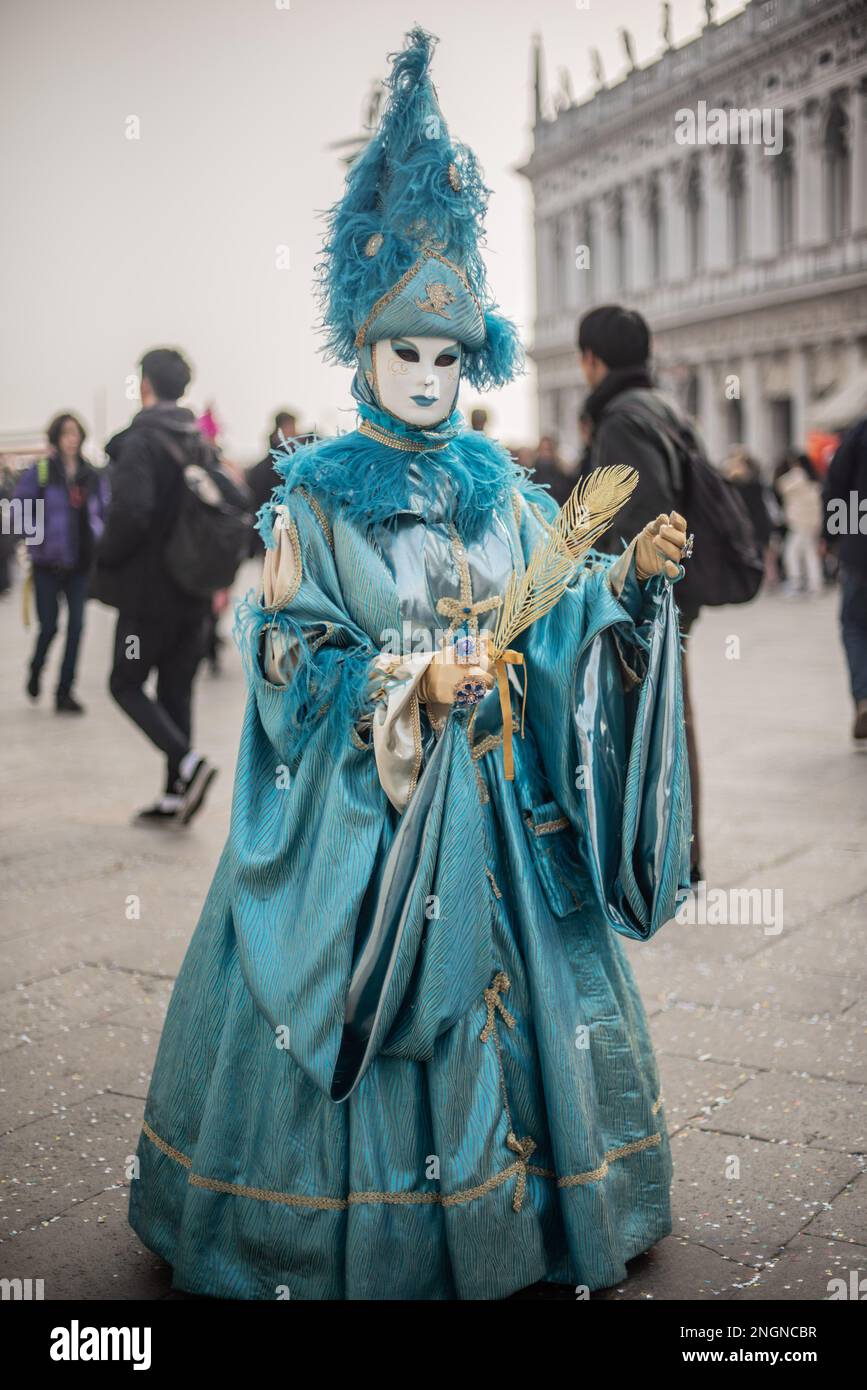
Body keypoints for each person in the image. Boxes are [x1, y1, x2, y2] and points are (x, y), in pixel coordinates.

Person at [128, 29, 691, 1301]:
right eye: (406, 353)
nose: (430, 377)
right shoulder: (313, 503)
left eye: (451, 356)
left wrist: (630, 581)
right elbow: (281, 655)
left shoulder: (506, 494)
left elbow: (553, 616)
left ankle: (539, 1212)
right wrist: (405, 685)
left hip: (503, 817)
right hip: (372, 833)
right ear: (362, 354)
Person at [577, 303, 704, 880]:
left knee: (657, 721)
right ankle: (677, 853)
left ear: (591, 360)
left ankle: (666, 857)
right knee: (670, 714)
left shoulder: (622, 421)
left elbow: (641, 519)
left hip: (646, 596)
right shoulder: (661, 408)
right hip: (671, 591)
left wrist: (631, 589)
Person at [95, 348, 217, 825]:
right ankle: (174, 795)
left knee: (123, 681)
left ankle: (187, 763)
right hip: (194, 594)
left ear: (145, 384)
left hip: (148, 599)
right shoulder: (199, 443)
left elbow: (131, 512)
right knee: (176, 690)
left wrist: (103, 556)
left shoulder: (141, 442)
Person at [14, 412, 108, 712]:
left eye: (76, 432)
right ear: (56, 437)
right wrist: (36, 541)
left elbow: (104, 512)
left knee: (77, 628)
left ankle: (64, 690)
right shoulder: (41, 471)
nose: (72, 438)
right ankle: (36, 668)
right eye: (66, 433)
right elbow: (20, 508)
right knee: (50, 626)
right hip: (47, 565)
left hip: (80, 564)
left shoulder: (91, 474)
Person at [823, 417, 867, 749]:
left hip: (860, 546)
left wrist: (832, 534)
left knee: (855, 625)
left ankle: (865, 698)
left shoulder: (858, 432)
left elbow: (835, 487)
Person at [246, 410, 298, 554]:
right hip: (270, 538)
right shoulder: (263, 469)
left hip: (294, 536)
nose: (294, 433)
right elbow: (256, 505)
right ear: (279, 430)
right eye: (290, 428)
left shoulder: (297, 465)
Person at [774, 451, 823, 596]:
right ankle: (815, 583)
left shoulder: (796, 477)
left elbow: (780, 485)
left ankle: (796, 582)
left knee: (791, 552)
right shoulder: (814, 480)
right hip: (812, 521)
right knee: (810, 553)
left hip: (799, 522)